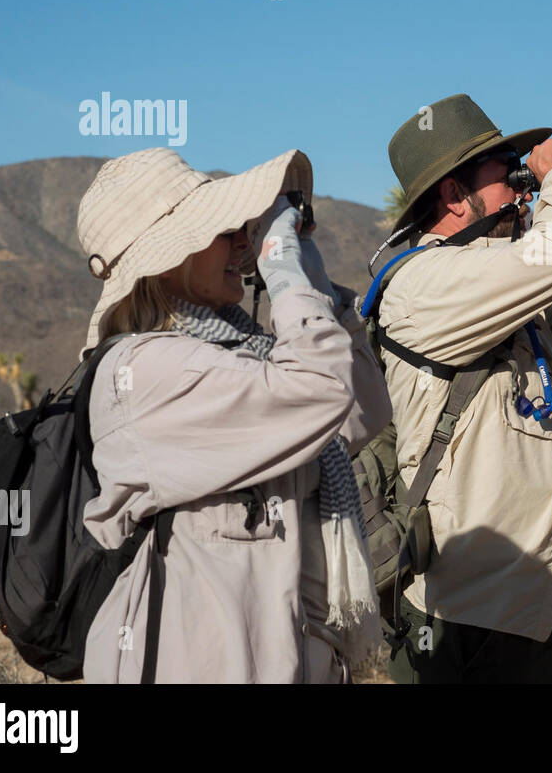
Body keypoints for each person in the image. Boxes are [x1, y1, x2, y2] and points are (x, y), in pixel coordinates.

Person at [75, 147, 392, 683]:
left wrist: (316, 288)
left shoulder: (237, 354)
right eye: (224, 232)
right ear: (169, 256)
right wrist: (284, 270)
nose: (243, 244)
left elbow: (360, 412)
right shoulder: (143, 372)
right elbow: (320, 389)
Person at [375, 93, 552, 683]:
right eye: (508, 175)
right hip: (467, 612)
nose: (523, 188)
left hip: (535, 605)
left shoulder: (509, 286)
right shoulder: (423, 285)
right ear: (453, 195)